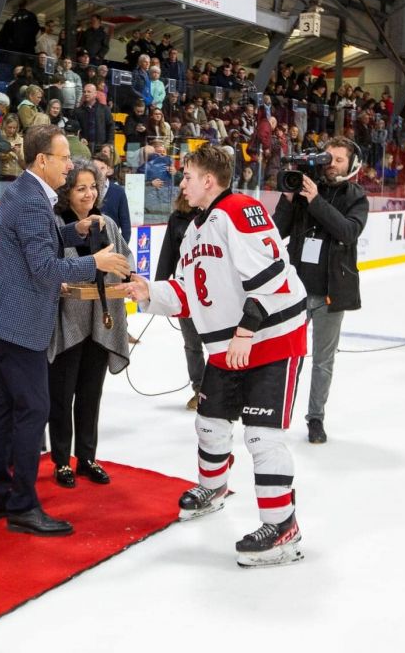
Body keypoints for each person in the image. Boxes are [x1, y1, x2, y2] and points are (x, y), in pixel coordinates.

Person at [123, 143, 308, 568]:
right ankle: (214, 487)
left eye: (187, 176)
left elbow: (273, 277)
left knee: (262, 437)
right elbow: (189, 294)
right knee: (209, 423)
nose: (181, 184)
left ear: (209, 180)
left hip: (271, 336)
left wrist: (247, 329)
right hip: (230, 345)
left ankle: (283, 527)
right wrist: (149, 291)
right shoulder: (195, 228)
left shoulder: (240, 209)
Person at [0, 124, 130, 537]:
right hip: (18, 322)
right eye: (63, 158)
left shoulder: (26, 193)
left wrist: (69, 232)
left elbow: (36, 244)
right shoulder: (30, 200)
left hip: (2, 318)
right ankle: (22, 505)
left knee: (6, 408)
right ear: (42, 160)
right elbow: (44, 269)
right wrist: (95, 263)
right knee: (33, 410)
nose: (69, 166)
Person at [272, 137, 368, 444]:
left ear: (351, 165)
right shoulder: (303, 190)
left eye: (339, 160)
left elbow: (348, 231)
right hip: (296, 290)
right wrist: (288, 198)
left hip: (331, 292)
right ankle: (280, 411)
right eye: (329, 158)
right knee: (289, 356)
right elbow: (277, 232)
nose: (331, 164)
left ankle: (315, 418)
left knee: (323, 360)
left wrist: (316, 201)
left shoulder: (356, 196)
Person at [48, 159, 132, 488]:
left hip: (101, 320)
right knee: (61, 394)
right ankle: (60, 461)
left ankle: (86, 457)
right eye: (81, 188)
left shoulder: (107, 224)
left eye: (93, 187)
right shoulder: (56, 224)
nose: (88, 194)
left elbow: (126, 264)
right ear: (67, 192)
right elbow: (47, 268)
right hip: (66, 320)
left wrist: (130, 278)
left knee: (90, 394)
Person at [155, 189, 204, 410]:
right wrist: (158, 289)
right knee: (192, 344)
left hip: (217, 292)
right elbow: (168, 254)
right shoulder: (177, 218)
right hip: (187, 290)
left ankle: (221, 390)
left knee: (219, 344)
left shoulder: (217, 213)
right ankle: (200, 389)